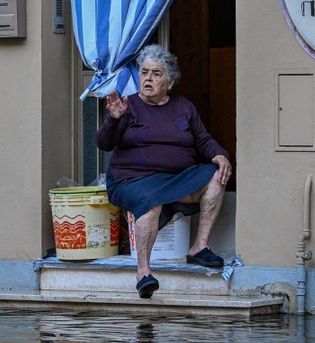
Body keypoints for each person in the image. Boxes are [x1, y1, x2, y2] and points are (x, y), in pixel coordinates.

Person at [96, 44, 232, 299]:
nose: (148, 78)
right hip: (131, 179)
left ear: (169, 83)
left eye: (156, 73)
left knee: (217, 173)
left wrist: (220, 154)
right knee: (151, 202)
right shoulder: (129, 106)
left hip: (174, 178)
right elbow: (104, 143)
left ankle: (199, 247)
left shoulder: (184, 107)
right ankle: (143, 273)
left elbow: (203, 139)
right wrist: (113, 120)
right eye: (144, 72)